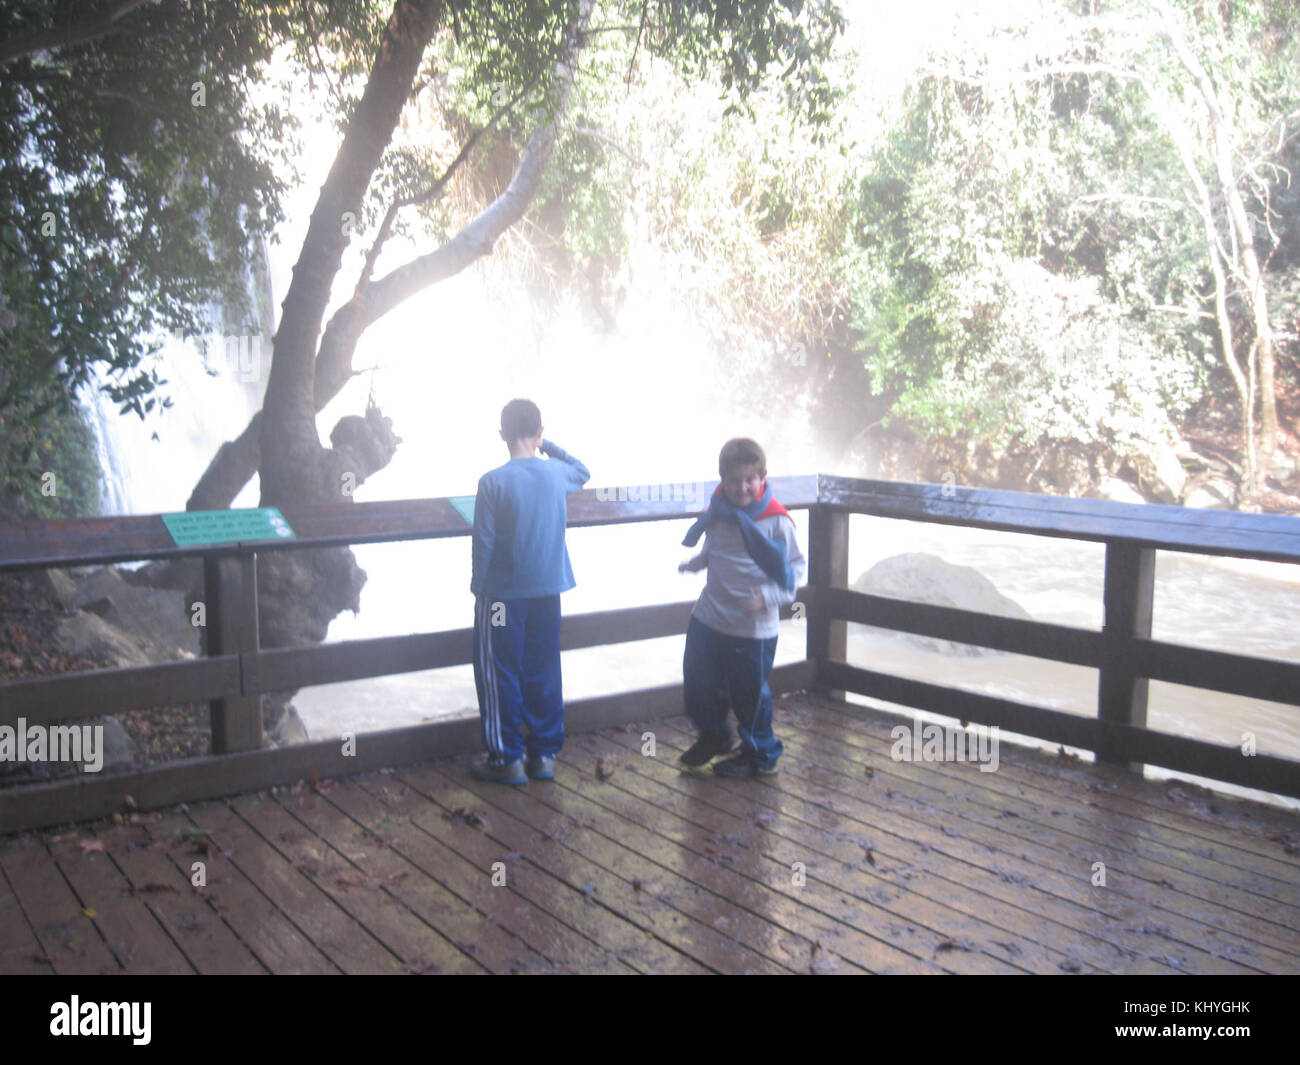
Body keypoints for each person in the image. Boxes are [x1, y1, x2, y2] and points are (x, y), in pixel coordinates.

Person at [469, 399, 589, 785]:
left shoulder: (492, 482)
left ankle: (506, 758)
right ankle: (543, 754)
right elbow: (582, 471)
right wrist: (549, 447)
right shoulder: (556, 474)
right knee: (542, 667)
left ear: (501, 435)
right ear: (539, 433)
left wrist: (478, 589)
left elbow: (484, 542)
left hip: (502, 598)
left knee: (499, 669)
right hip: (547, 592)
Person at [677, 438, 805, 778]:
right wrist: (698, 562)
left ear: (763, 477)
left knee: (749, 696)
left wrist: (766, 598)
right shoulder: (718, 514)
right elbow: (717, 549)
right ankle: (715, 735)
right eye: (734, 481)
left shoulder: (777, 521)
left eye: (750, 480)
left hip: (752, 628)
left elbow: (797, 572)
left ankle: (761, 755)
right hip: (709, 615)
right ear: (723, 480)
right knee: (698, 681)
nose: (743, 488)